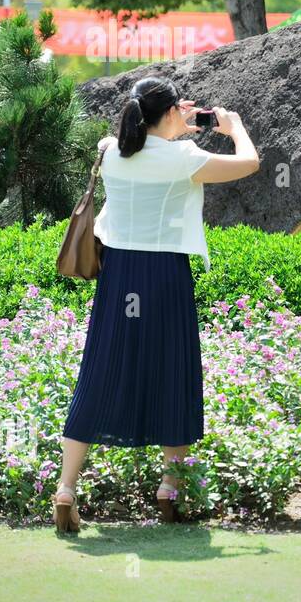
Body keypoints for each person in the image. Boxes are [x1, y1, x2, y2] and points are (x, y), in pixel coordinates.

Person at [51, 77, 260, 532]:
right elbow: (249, 163)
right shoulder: (183, 158)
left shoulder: (109, 150)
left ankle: (66, 487)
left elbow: (138, 141)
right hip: (164, 276)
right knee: (172, 370)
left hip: (119, 276)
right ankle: (170, 488)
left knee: (101, 370)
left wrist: (170, 123)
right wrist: (233, 125)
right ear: (168, 114)